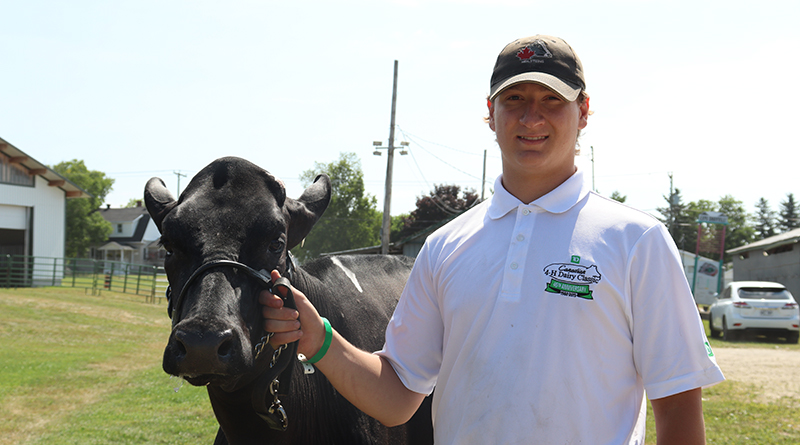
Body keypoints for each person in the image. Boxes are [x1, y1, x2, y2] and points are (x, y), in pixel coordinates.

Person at [261, 34, 724, 444]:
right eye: (515, 98)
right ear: (490, 112)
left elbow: (678, 406)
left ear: (583, 111)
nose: (531, 116)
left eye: (552, 100)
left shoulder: (638, 241)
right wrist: (317, 336)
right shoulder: (444, 246)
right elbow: (398, 394)